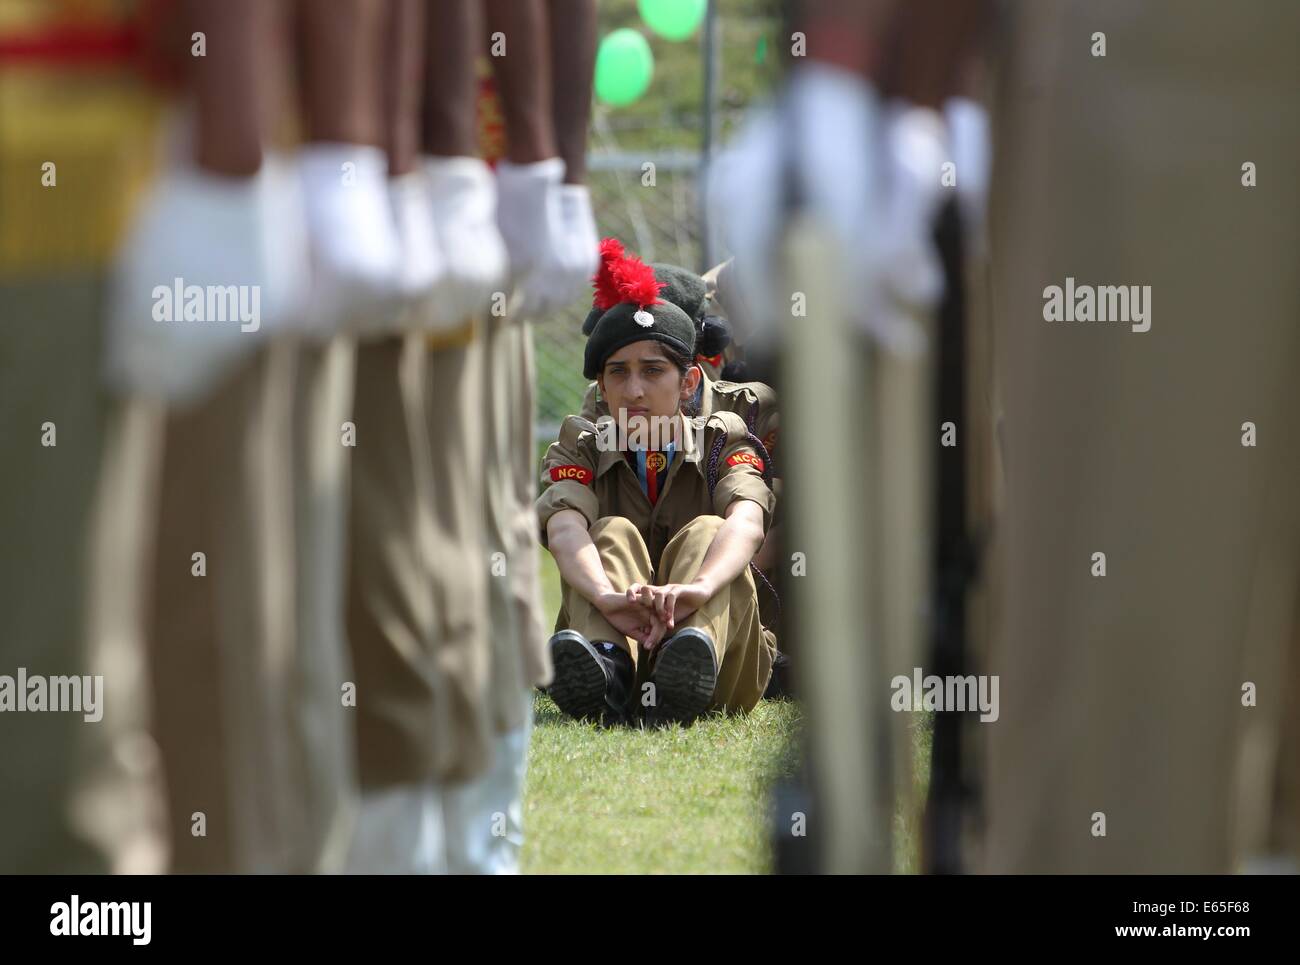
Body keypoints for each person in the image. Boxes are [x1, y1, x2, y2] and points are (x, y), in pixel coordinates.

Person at [537, 250, 778, 727]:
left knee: (708, 530)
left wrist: (698, 590)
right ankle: (606, 668)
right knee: (608, 531)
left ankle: (687, 662)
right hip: (618, 626)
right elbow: (564, 526)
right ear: (600, 389)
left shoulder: (722, 433)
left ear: (689, 381)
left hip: (720, 648)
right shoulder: (581, 440)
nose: (634, 391)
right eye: (618, 373)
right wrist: (607, 599)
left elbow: (748, 519)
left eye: (652, 371)